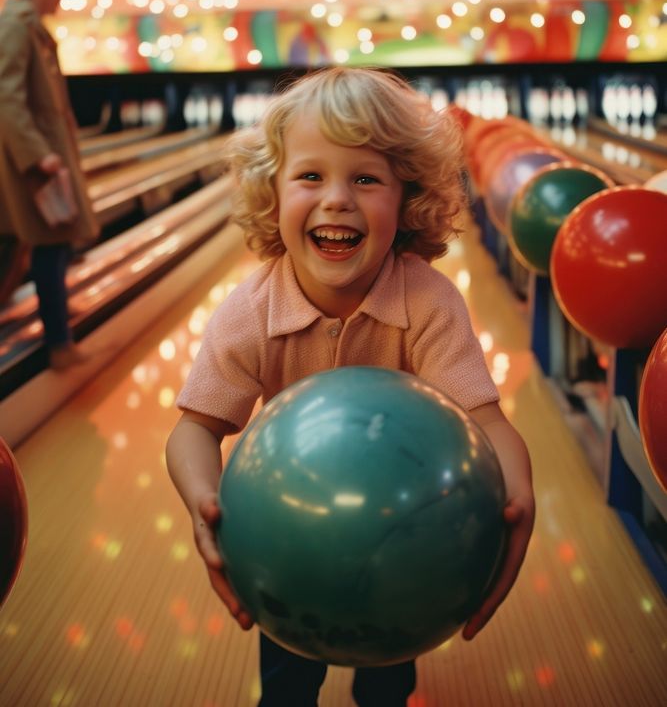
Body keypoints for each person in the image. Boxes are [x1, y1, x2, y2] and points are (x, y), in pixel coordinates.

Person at [166, 67, 535, 707]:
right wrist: (204, 502)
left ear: (408, 196)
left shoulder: (428, 302)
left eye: (366, 178)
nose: (338, 198)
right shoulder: (251, 311)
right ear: (273, 193)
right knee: (285, 690)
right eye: (311, 175)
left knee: (387, 680)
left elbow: (487, 420)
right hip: (287, 544)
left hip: (405, 543)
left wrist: (518, 491)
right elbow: (194, 428)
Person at [0, 0, 99, 369]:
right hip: (29, 164)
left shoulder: (29, 27)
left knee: (22, 247)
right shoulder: (15, 26)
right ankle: (59, 342)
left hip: (39, 156)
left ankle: (58, 326)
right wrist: (39, 156)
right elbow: (6, 95)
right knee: (51, 242)